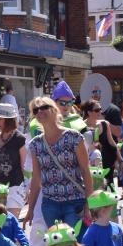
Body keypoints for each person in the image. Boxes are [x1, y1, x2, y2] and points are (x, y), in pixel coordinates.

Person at [24, 95, 93, 232]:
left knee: (73, 245)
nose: (40, 111)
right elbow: (36, 179)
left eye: (44, 107)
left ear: (54, 110)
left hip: (74, 202)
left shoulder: (74, 137)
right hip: (50, 204)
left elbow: (86, 171)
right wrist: (30, 210)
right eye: (35, 110)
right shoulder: (35, 144)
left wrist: (88, 205)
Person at [0, 103, 27, 210]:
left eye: (1, 119)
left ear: (10, 121)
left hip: (15, 186)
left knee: (10, 221)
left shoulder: (19, 139)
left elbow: (24, 166)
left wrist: (28, 188)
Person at [81, 100, 120, 178]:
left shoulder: (104, 124)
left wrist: (120, 159)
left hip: (107, 162)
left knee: (107, 188)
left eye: (100, 109)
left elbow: (112, 142)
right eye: (97, 110)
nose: (100, 112)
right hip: (91, 164)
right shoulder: (82, 126)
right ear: (89, 112)